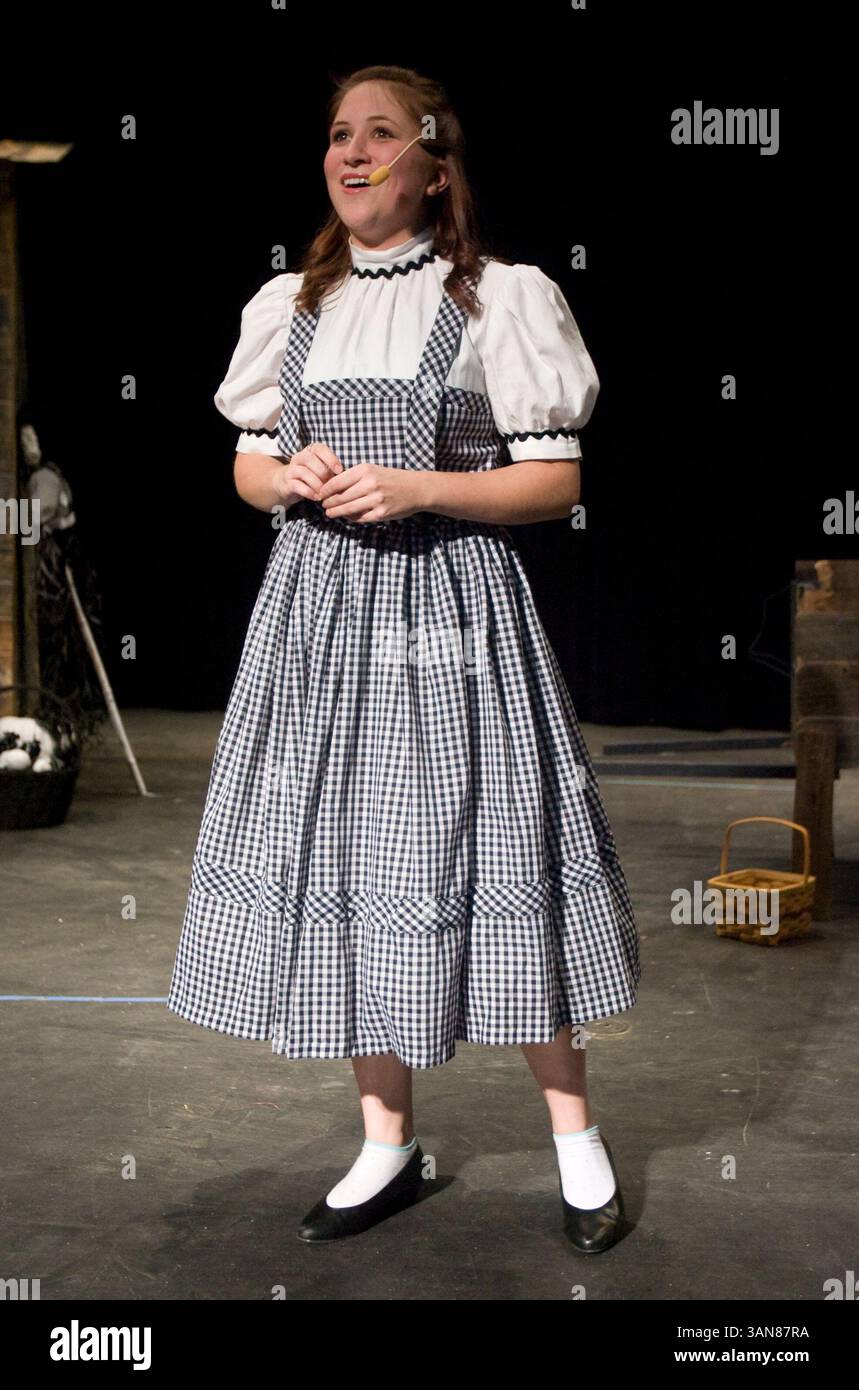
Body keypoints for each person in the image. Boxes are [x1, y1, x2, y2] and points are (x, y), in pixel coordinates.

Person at [166, 64, 641, 1255]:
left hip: (451, 611)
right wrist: (295, 475)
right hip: (318, 619)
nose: (354, 151)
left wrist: (420, 483)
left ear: (436, 162)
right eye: (338, 133)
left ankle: (578, 1151)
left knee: (498, 846)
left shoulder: (495, 295)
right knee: (344, 857)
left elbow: (556, 480)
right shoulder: (297, 302)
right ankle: (386, 1143)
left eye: (383, 133)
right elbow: (246, 463)